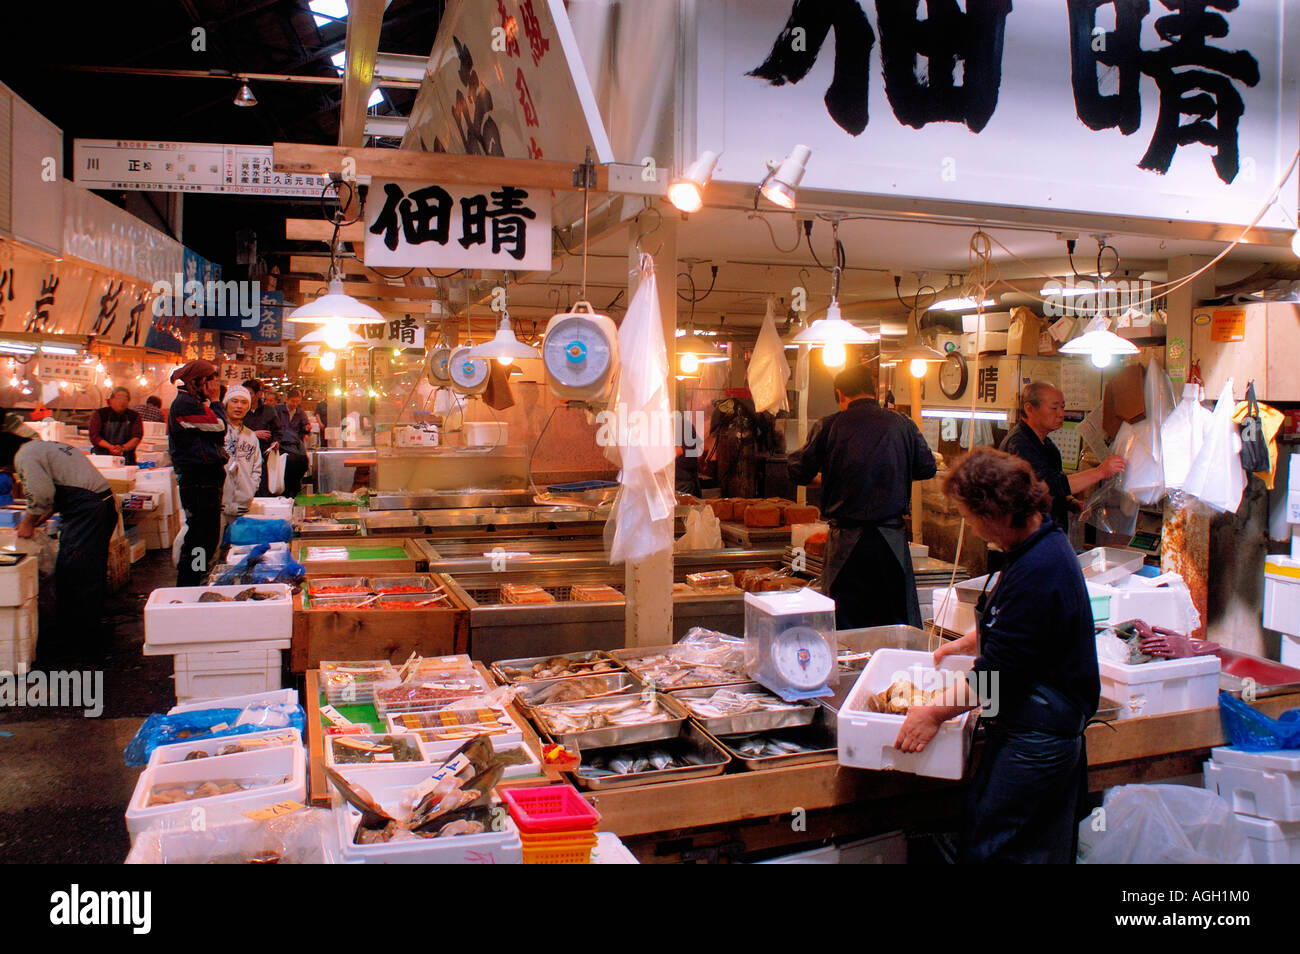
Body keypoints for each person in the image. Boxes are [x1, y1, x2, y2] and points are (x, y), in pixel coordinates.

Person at [895, 448, 1098, 864]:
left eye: (972, 518)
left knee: (996, 850)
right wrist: (967, 642)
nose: (970, 528)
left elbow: (995, 680)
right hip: (1035, 729)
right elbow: (1024, 631)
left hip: (1037, 741)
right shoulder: (1041, 541)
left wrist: (931, 713)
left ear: (1000, 514)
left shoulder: (1041, 567)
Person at [788, 364, 937, 629]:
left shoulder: (830, 425)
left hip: (847, 542)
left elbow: (798, 471)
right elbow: (927, 467)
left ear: (840, 393)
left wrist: (827, 476)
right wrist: (892, 473)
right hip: (890, 541)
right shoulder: (902, 423)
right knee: (893, 621)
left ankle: (850, 669)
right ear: (873, 393)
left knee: (846, 622)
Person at [0, 428, 118, 644]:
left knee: (74, 569)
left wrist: (27, 523)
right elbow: (57, 491)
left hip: (87, 510)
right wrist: (42, 517)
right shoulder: (43, 446)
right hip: (101, 505)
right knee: (89, 568)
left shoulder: (25, 456)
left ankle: (77, 634)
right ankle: (87, 626)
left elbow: (40, 494)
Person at [1000, 382, 1126, 528]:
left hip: (1048, 531)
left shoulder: (1047, 445)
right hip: (1026, 535)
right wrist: (1101, 472)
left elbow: (1053, 487)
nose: (1061, 414)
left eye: (1062, 407)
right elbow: (1048, 486)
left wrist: (1069, 502)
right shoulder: (1019, 445)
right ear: (1029, 408)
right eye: (1054, 408)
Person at [168, 360, 228, 587]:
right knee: (201, 537)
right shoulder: (184, 404)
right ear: (199, 381)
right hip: (198, 480)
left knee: (206, 535)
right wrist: (215, 401)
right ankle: (190, 582)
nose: (215, 385)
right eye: (211, 380)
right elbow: (219, 426)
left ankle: (196, 577)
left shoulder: (192, 402)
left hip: (206, 480)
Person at [221, 386, 262, 535]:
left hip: (243, 504)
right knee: (213, 548)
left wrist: (251, 487)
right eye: (235, 401)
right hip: (219, 503)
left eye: (244, 402)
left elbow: (257, 467)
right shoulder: (218, 432)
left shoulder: (251, 436)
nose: (239, 406)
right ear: (226, 403)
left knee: (238, 549)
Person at [88, 387, 144, 465]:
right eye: (119, 397)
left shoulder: (134, 416)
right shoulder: (100, 414)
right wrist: (110, 447)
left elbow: (137, 436)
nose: (122, 401)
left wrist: (123, 448)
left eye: (126, 398)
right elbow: (94, 435)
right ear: (110, 400)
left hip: (126, 458)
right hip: (102, 457)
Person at [275, 388, 311, 498]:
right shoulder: (278, 410)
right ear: (287, 399)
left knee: (303, 463)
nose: (295, 404)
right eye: (292, 401)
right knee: (285, 468)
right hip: (281, 445)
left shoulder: (300, 412)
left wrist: (307, 428)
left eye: (297, 401)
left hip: (296, 445)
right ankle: (284, 492)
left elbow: (305, 426)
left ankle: (294, 493)